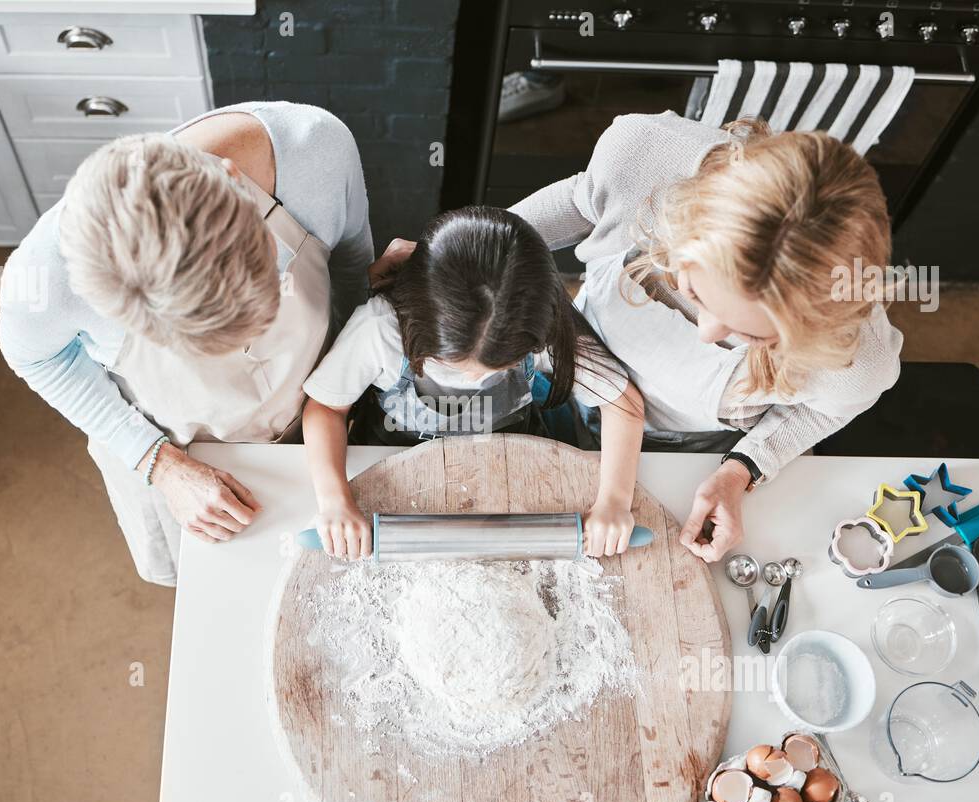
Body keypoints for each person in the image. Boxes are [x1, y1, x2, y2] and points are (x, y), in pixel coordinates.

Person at [371, 112, 902, 564]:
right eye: (695, 292)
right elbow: (580, 206)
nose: (709, 335)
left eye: (748, 336)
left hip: (679, 444)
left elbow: (821, 413)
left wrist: (741, 470)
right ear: (682, 228)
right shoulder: (640, 157)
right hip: (579, 364)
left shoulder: (857, 362)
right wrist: (457, 270)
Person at [0, 102, 372, 585]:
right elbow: (37, 359)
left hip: (318, 414)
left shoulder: (315, 151)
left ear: (232, 180)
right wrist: (159, 463)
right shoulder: (44, 277)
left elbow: (350, 266)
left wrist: (347, 380)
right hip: (181, 451)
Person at [302, 206, 646, 561]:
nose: (476, 379)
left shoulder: (541, 327)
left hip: (512, 478)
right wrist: (334, 500)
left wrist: (614, 501)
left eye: (502, 366)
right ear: (418, 319)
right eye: (451, 364)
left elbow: (623, 404)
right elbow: (325, 408)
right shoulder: (380, 330)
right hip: (391, 476)